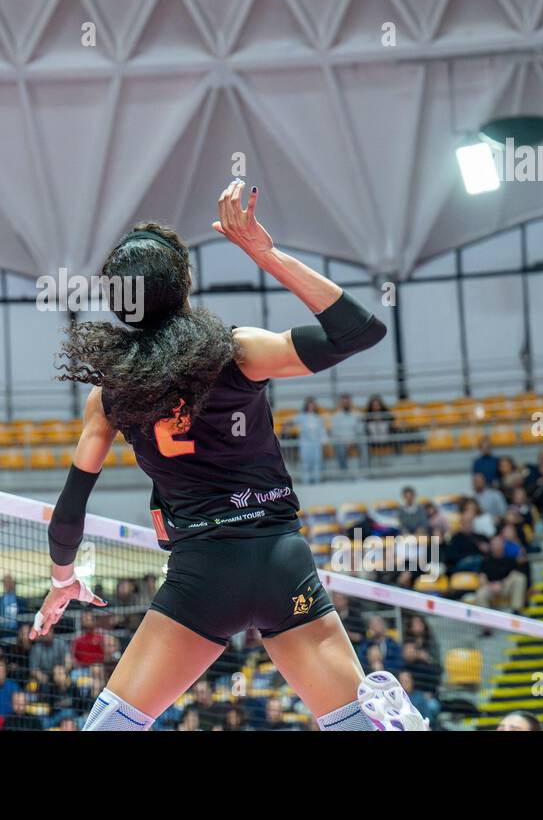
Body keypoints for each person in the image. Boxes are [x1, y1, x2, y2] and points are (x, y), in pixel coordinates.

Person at [35, 183, 423, 732]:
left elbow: (70, 510)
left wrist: (62, 578)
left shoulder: (110, 394)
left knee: (112, 726)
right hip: (279, 562)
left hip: (202, 580)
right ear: (184, 289)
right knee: (352, 724)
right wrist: (264, 253)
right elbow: (360, 330)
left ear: (118, 303)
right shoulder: (239, 352)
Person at [329, 394, 367, 474]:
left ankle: (364, 471)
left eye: (347, 402)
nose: (345, 404)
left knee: (363, 446)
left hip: (354, 440)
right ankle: (344, 472)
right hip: (342, 440)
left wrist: (352, 440)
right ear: (341, 403)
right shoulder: (336, 416)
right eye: (343, 402)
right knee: (340, 449)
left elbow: (360, 429)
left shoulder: (357, 414)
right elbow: (335, 432)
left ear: (350, 402)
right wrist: (345, 441)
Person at [293, 397, 326, 485]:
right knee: (305, 462)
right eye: (309, 406)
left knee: (317, 461)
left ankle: (317, 480)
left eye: (312, 406)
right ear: (306, 406)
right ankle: (306, 481)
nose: (311, 407)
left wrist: (324, 439)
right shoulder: (301, 417)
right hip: (305, 443)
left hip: (316, 443)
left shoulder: (318, 418)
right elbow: (293, 422)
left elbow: (322, 430)